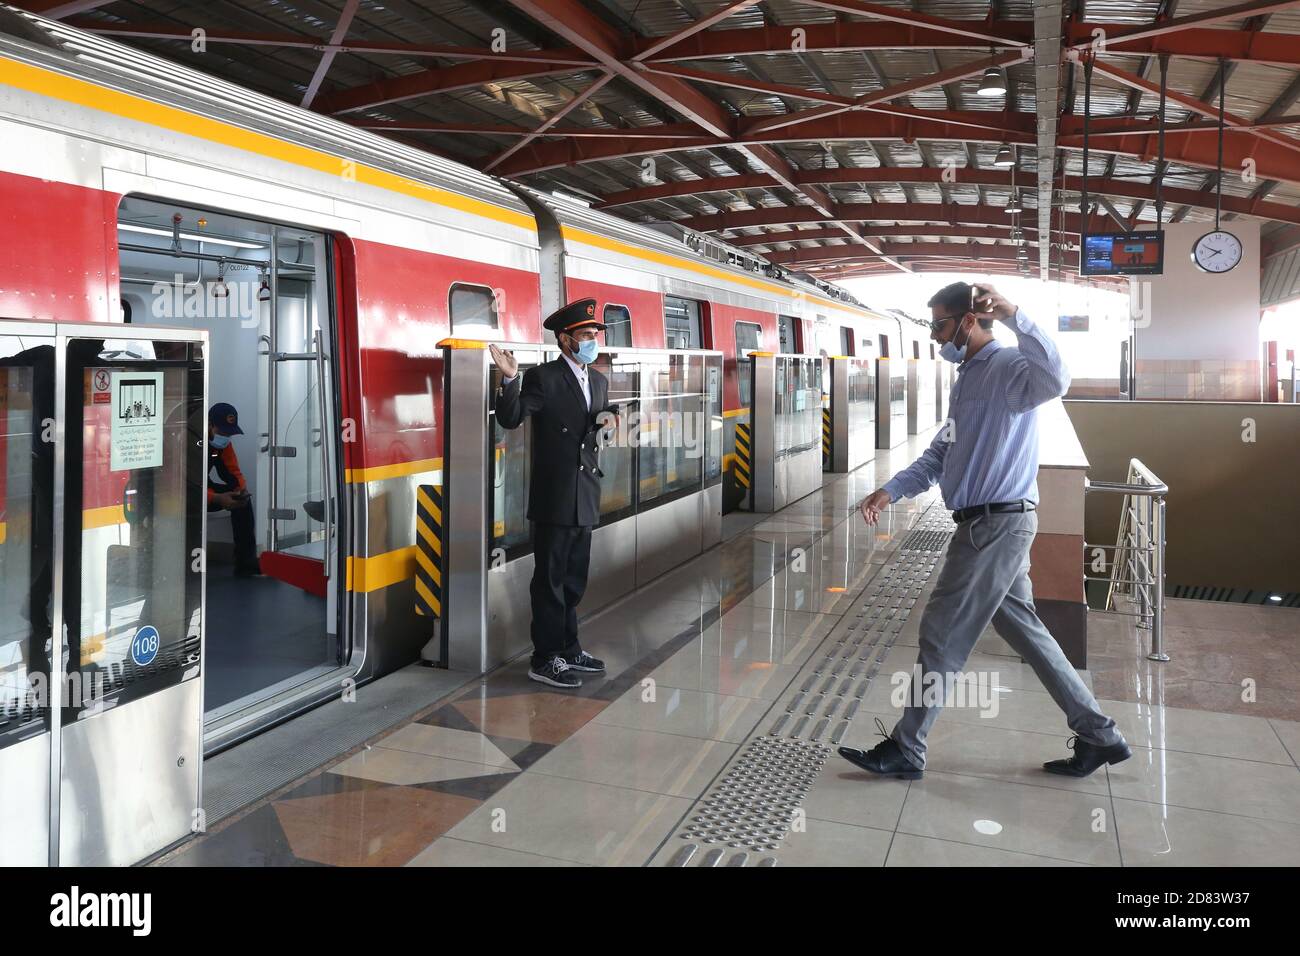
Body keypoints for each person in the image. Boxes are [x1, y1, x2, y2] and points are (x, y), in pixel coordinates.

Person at [840, 281, 1130, 779]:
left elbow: (1056, 376)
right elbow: (942, 452)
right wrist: (893, 488)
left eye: (939, 325)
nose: (935, 336)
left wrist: (1017, 314)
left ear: (968, 321)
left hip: (996, 524)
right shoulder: (967, 377)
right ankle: (1100, 735)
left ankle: (907, 750)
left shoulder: (1009, 369)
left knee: (940, 633)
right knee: (1027, 631)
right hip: (990, 524)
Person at [487, 298, 618, 688]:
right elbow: (511, 420)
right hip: (555, 494)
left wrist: (611, 419)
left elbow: (603, 414)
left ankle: (569, 648)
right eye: (586, 335)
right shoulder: (544, 377)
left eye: (595, 334)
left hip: (586, 491)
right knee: (550, 579)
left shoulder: (598, 380)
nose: (593, 341)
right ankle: (544, 658)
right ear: (565, 339)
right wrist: (510, 379)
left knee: (575, 578)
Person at [207, 401, 260, 577]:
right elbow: (186, 485)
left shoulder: (221, 445)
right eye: (222, 432)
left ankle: (246, 564)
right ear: (210, 425)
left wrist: (240, 490)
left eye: (229, 433)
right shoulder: (193, 442)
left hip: (202, 487)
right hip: (184, 491)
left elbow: (232, 470)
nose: (226, 436)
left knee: (243, 502)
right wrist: (215, 498)